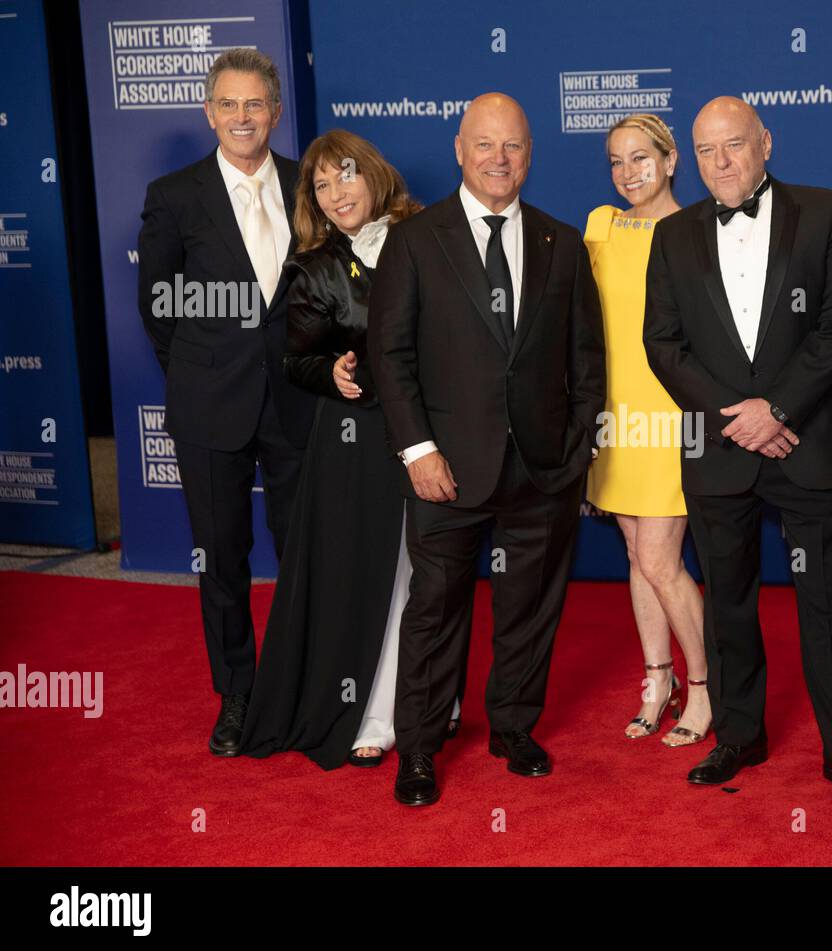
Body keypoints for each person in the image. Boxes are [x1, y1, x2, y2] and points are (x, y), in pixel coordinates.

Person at [643, 97, 832, 805]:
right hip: (720, 452)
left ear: (766, 143)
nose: (721, 163)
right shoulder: (675, 234)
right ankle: (738, 736)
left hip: (803, 442)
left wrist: (778, 410)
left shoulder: (823, 210)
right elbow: (663, 343)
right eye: (707, 150)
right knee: (729, 604)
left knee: (827, 602)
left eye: (736, 146)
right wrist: (734, 419)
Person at [369, 93, 605, 807]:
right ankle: (418, 747)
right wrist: (418, 450)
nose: (499, 159)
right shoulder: (414, 240)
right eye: (485, 145)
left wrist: (573, 452)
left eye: (513, 146)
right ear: (459, 149)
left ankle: (513, 725)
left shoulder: (562, 243)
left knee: (530, 607)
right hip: (444, 467)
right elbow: (391, 354)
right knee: (434, 610)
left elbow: (587, 361)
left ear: (530, 153)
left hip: (542, 469)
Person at [239, 129, 447, 770]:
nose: (334, 193)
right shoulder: (315, 266)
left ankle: (434, 698)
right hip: (356, 444)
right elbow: (295, 359)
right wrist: (329, 371)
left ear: (374, 173)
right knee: (382, 574)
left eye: (345, 175)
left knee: (432, 574)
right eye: (320, 185)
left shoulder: (431, 238)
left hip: (435, 430)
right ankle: (379, 713)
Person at [137, 49, 316, 757]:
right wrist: (198, 375)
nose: (243, 117)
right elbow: (160, 305)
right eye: (229, 105)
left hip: (299, 402)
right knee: (223, 557)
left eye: (255, 104)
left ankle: (305, 683)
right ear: (210, 113)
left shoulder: (309, 184)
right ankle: (237, 694)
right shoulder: (174, 194)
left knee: (305, 549)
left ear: (274, 111)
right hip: (210, 406)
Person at [584, 114, 710, 746]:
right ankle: (659, 680)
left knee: (661, 559)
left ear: (670, 160)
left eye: (641, 158)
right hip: (612, 416)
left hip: (667, 415)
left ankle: (708, 688)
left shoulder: (696, 228)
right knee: (637, 556)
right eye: (616, 160)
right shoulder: (600, 225)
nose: (628, 172)